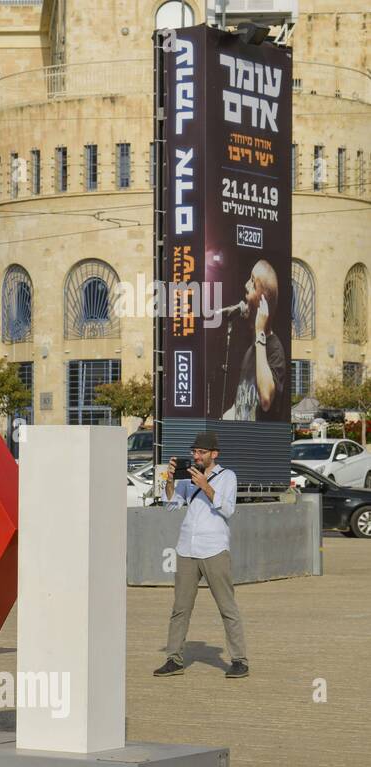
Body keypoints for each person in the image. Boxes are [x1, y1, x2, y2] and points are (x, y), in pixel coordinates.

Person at [154, 431, 249, 679]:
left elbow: (228, 509)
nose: (196, 456)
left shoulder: (227, 476)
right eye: (194, 452)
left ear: (214, 454)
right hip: (186, 548)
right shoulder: (188, 476)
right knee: (180, 608)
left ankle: (239, 660)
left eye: (201, 452)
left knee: (227, 606)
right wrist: (170, 479)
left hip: (214, 548)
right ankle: (174, 659)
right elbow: (171, 503)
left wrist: (205, 486)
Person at [221, 259, 288, 422]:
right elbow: (241, 405)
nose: (246, 285)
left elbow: (265, 400)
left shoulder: (275, 349)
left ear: (262, 300)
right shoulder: (250, 352)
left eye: (252, 282)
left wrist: (260, 332)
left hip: (257, 438)